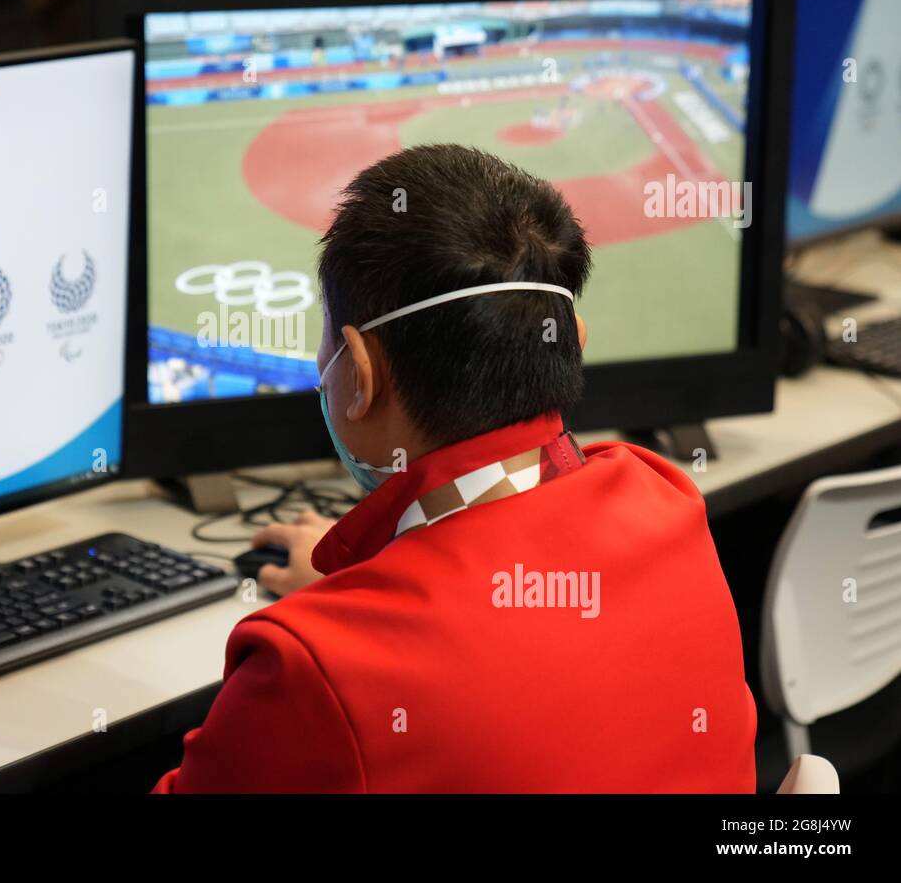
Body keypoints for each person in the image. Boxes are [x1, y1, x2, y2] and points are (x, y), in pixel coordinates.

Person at [154, 144, 756, 792]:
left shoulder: (308, 667)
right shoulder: (665, 496)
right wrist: (358, 596)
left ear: (358, 372)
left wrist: (339, 630)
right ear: (573, 342)